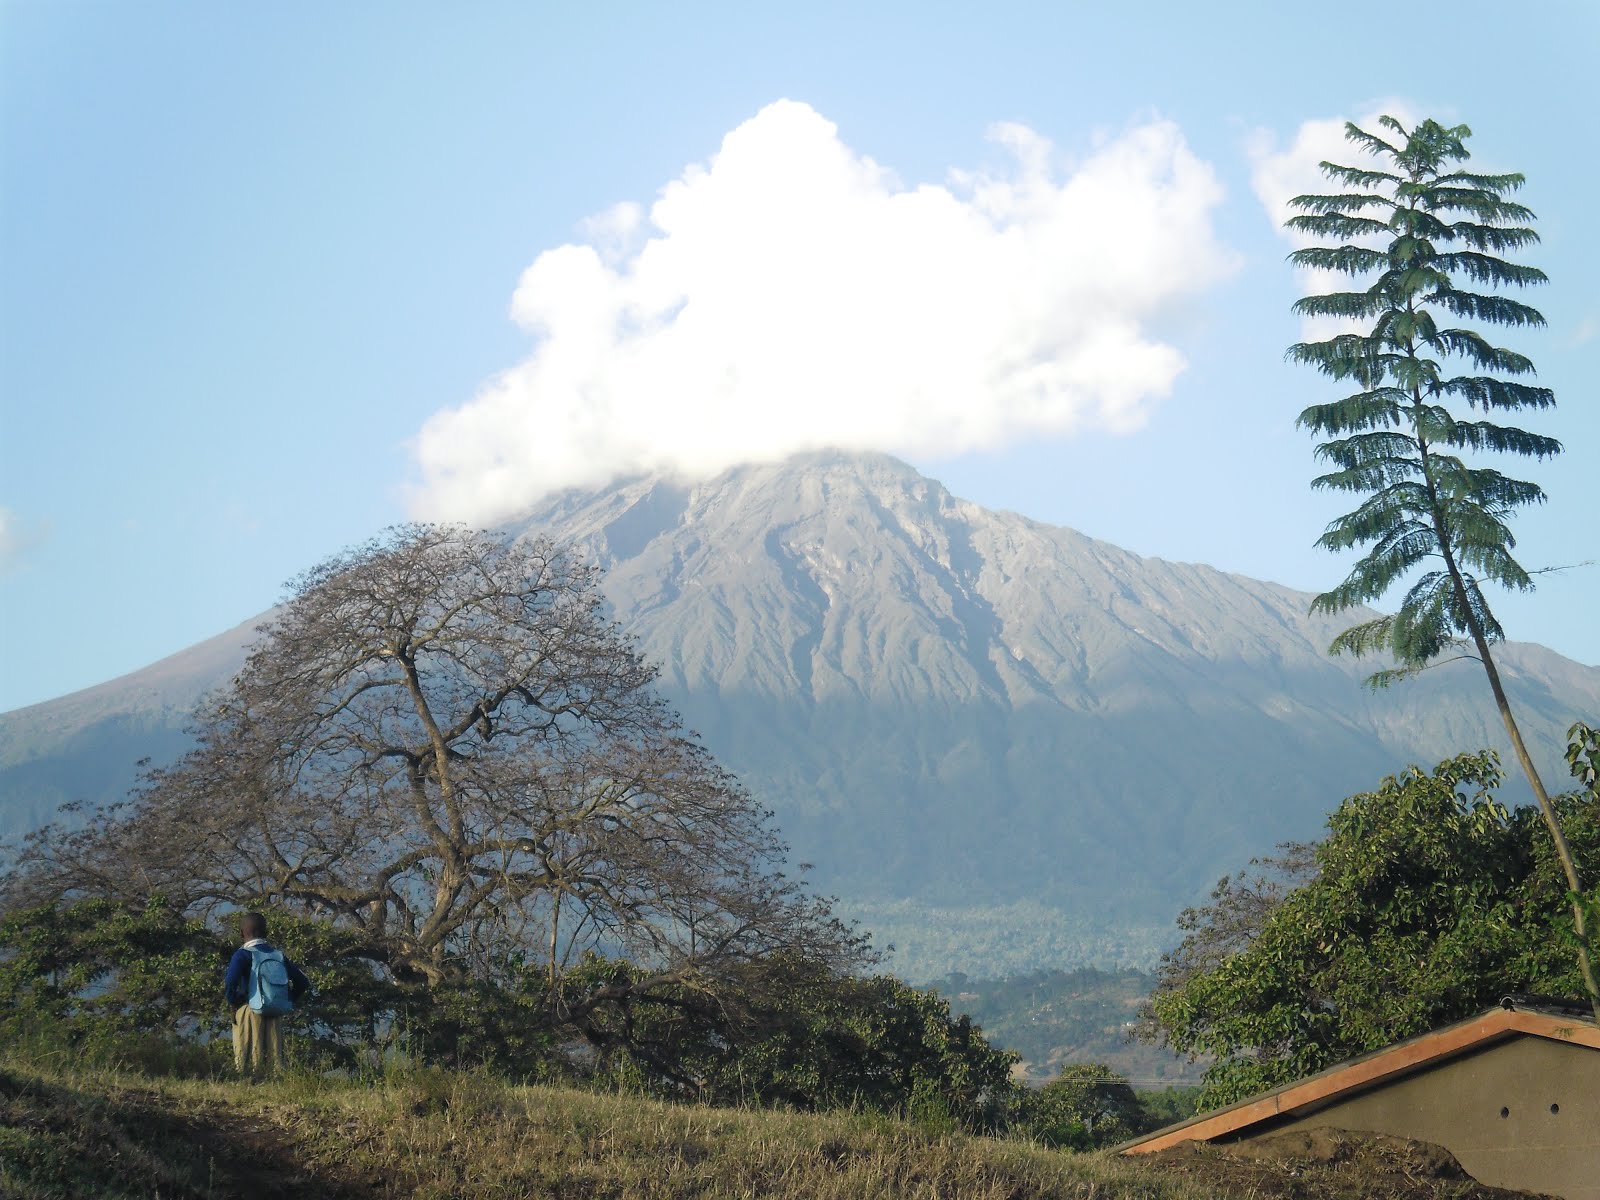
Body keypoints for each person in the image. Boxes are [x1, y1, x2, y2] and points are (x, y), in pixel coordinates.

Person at [223, 911, 310, 1075]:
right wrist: (288, 1000)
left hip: (250, 1009)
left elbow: (230, 982)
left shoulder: (242, 954)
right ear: (266, 932)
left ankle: (249, 1081)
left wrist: (235, 1001)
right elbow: (302, 982)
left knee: (247, 1058)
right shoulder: (278, 956)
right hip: (274, 1010)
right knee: (274, 1058)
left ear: (242, 933)